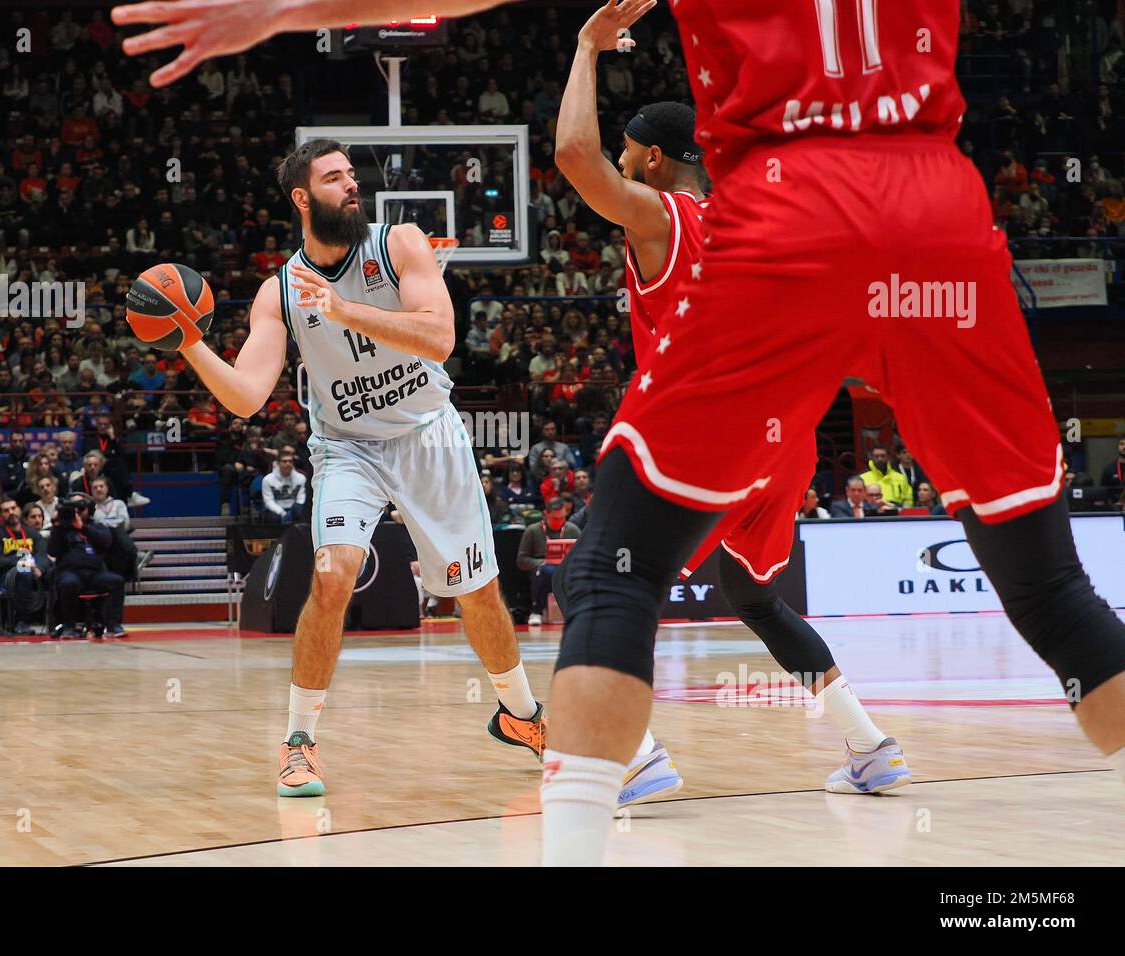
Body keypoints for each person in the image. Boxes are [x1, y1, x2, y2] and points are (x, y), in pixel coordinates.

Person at [116, 0, 1125, 862]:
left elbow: (549, 182)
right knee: (1046, 587)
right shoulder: (287, 286)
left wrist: (286, 14)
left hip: (783, 233)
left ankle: (595, 780)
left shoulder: (647, 217)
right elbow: (254, 389)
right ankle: (831, 740)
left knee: (608, 575)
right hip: (936, 211)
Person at [553, 29, 905, 810]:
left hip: (705, 436)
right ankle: (870, 747)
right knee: (751, 596)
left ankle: (633, 754)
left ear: (651, 158)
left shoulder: (667, 220)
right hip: (784, 441)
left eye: (627, 149)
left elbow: (575, 158)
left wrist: (585, 50)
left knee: (594, 580)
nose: (617, 159)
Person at [164, 137, 545, 798]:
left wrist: (343, 310)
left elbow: (441, 337)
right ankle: (298, 742)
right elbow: (247, 396)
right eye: (334, 177)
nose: (351, 186)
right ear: (303, 198)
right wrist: (190, 342)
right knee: (333, 571)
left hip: (430, 437)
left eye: (351, 175)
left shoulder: (399, 244)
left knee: (474, 593)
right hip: (348, 449)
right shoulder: (278, 291)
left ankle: (523, 716)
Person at [46, 494, 125, 639]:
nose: (77, 513)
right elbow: (52, 550)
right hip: (69, 572)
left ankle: (114, 625)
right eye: (73, 509)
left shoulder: (97, 526)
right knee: (68, 583)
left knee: (117, 581)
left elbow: (106, 542)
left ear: (89, 510)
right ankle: (69, 626)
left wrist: (82, 528)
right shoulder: (61, 528)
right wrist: (57, 527)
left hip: (95, 573)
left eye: (81, 509)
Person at [0, 498, 51, 634]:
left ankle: (56, 622)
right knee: (22, 572)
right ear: (1, 515)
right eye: (6, 510)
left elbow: (42, 554)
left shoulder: (32, 534)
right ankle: (20, 622)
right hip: (6, 576)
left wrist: (39, 567)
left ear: (19, 510)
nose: (11, 512)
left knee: (53, 573)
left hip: (33, 572)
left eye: (13, 508)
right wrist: (19, 562)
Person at [516, 498, 580, 626]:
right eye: (555, 519)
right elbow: (521, 560)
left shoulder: (573, 529)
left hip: (568, 568)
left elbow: (583, 554)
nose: (559, 522)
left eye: (562, 518)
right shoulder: (532, 530)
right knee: (547, 571)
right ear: (546, 514)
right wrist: (543, 562)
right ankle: (536, 611)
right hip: (542, 569)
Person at [256, 453, 306, 524]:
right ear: (278, 463)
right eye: (284, 461)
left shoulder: (301, 478)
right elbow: (268, 501)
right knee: (271, 516)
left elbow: (301, 499)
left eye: (290, 461)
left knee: (301, 511)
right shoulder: (267, 479)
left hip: (294, 509)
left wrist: (290, 514)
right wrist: (282, 513)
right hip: (276, 510)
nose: (288, 464)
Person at [859, 445, 914, 510]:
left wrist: (902, 511)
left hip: (896, 515)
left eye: (883, 456)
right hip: (871, 515)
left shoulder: (900, 477)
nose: (880, 459)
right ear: (871, 457)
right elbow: (858, 501)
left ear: (888, 457)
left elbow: (908, 499)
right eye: (876, 456)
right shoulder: (862, 478)